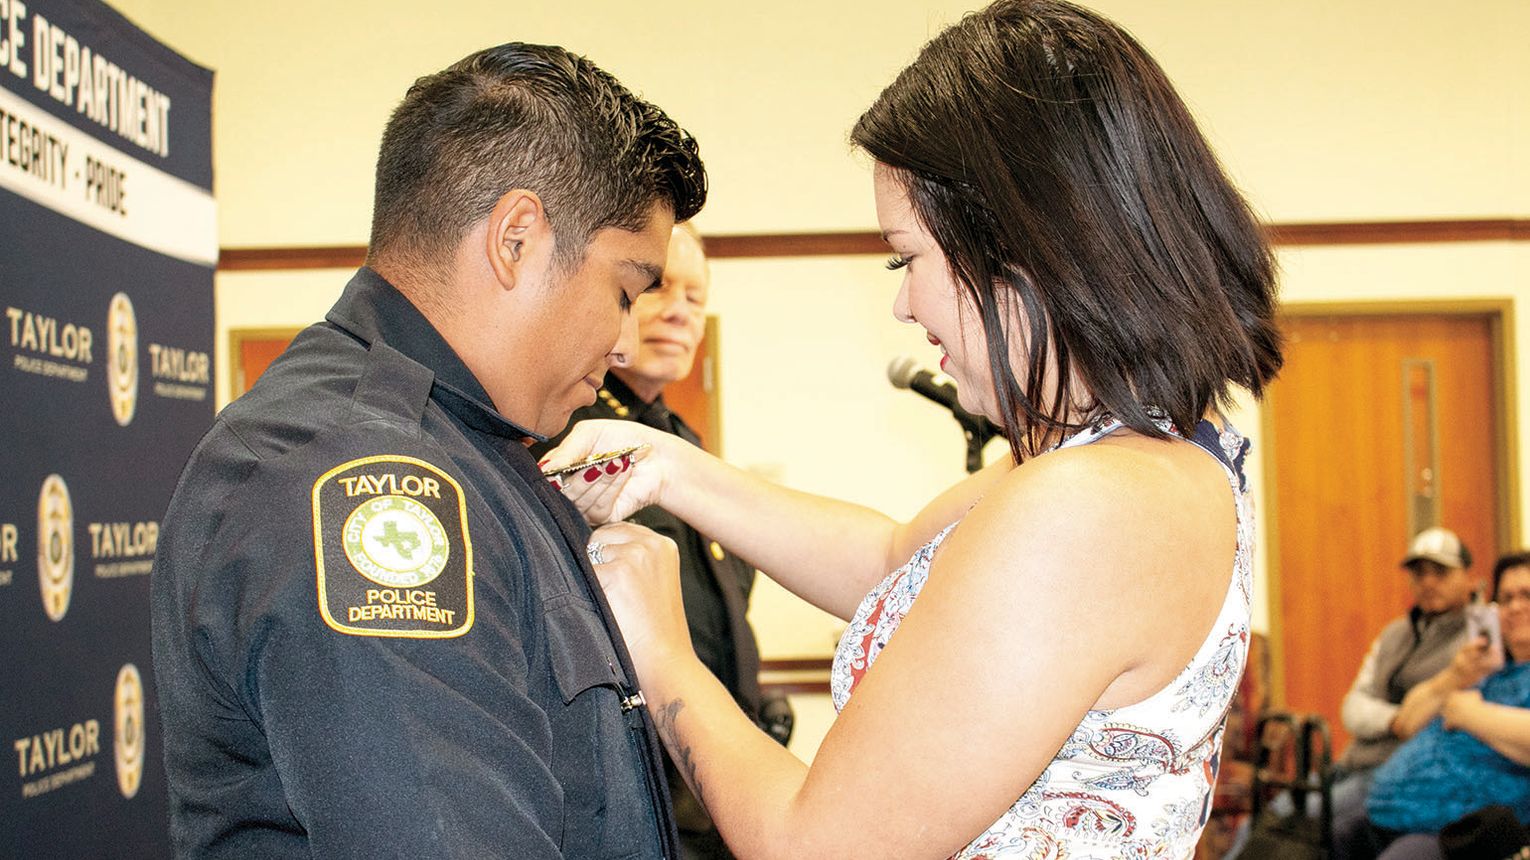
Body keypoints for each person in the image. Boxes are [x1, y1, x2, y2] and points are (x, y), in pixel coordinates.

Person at [542, 1, 1283, 856]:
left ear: (1014, 246)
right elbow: (896, 561)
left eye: (908, 258)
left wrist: (661, 652)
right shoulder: (1141, 450)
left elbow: (817, 847)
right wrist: (673, 469)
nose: (904, 302)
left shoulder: (1088, 507)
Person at [150, 43, 706, 857]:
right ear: (516, 238)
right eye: (623, 290)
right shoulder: (368, 479)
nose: (624, 341)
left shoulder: (474, 448)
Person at [531, 223, 792, 859]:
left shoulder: (682, 444)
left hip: (716, 794)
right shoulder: (567, 436)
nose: (678, 311)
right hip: (636, 793)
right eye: (657, 288)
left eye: (695, 298)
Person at [1341, 552, 1530, 860]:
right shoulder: (1484, 667)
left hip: (1460, 829)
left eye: (1526, 595)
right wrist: (1455, 675)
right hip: (1390, 807)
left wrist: (1470, 714)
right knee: (1319, 833)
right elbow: (1408, 719)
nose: (1516, 607)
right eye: (1506, 598)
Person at [1329, 527, 1477, 838]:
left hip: (1406, 772)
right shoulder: (1394, 634)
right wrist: (1395, 720)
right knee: (1273, 814)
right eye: (1419, 573)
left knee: (1316, 825)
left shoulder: (1476, 638)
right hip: (1355, 762)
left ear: (1468, 576)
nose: (1428, 582)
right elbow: (1353, 706)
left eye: (1441, 571)